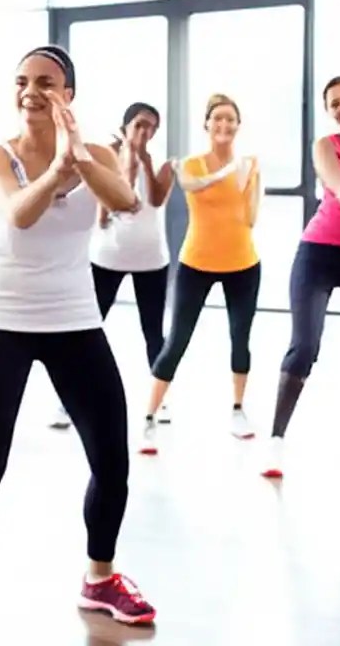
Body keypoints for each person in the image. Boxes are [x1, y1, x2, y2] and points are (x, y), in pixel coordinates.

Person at [0, 45, 156, 646]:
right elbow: (18, 215)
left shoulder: (96, 154)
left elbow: (126, 201)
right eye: (23, 81)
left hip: (74, 316)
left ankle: (99, 579)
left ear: (70, 94)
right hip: (2, 317)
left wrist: (76, 155)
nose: (32, 91)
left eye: (47, 83)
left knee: (112, 458)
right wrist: (58, 168)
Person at [262, 75, 340, 478]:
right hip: (319, 253)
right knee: (305, 346)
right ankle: (275, 443)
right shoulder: (326, 147)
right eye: (335, 103)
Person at [140, 94, 261, 455]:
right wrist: (229, 172)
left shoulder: (250, 165)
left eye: (230, 119)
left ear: (238, 125)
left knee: (240, 339)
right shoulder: (190, 164)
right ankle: (148, 417)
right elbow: (193, 187)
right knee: (177, 340)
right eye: (217, 119)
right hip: (197, 263)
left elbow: (252, 217)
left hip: (243, 263)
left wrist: (248, 181)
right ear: (206, 125)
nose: (224, 125)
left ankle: (238, 410)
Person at [52, 103, 173, 429]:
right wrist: (127, 157)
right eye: (139, 125)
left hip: (151, 260)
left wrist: (144, 160)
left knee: (153, 332)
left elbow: (157, 199)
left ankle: (159, 403)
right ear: (126, 126)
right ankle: (67, 403)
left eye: (151, 127)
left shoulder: (162, 164)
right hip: (108, 256)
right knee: (87, 327)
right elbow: (111, 195)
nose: (144, 132)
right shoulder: (107, 160)